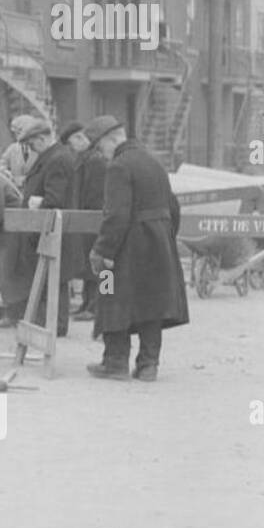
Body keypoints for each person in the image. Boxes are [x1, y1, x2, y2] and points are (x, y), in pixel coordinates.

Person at [84, 116, 189, 381]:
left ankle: (115, 362)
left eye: (99, 147)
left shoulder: (118, 166)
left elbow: (116, 215)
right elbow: (173, 208)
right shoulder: (154, 162)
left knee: (111, 296)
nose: (101, 154)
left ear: (110, 139)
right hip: (160, 242)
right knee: (151, 304)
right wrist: (164, 236)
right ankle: (148, 365)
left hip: (129, 244)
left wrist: (102, 250)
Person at [16, 119, 76, 336]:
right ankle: (52, 324)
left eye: (32, 144)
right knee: (54, 278)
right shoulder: (55, 157)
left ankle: (54, 325)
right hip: (48, 230)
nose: (31, 149)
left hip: (49, 229)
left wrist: (37, 202)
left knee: (53, 278)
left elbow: (55, 197)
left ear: (42, 139)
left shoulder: (56, 159)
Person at [67, 124, 106, 326]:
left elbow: (95, 194)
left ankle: (97, 306)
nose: (71, 147)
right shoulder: (86, 159)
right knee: (88, 265)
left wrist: (88, 215)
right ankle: (88, 303)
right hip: (86, 219)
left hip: (93, 220)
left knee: (98, 266)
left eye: (72, 142)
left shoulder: (95, 161)